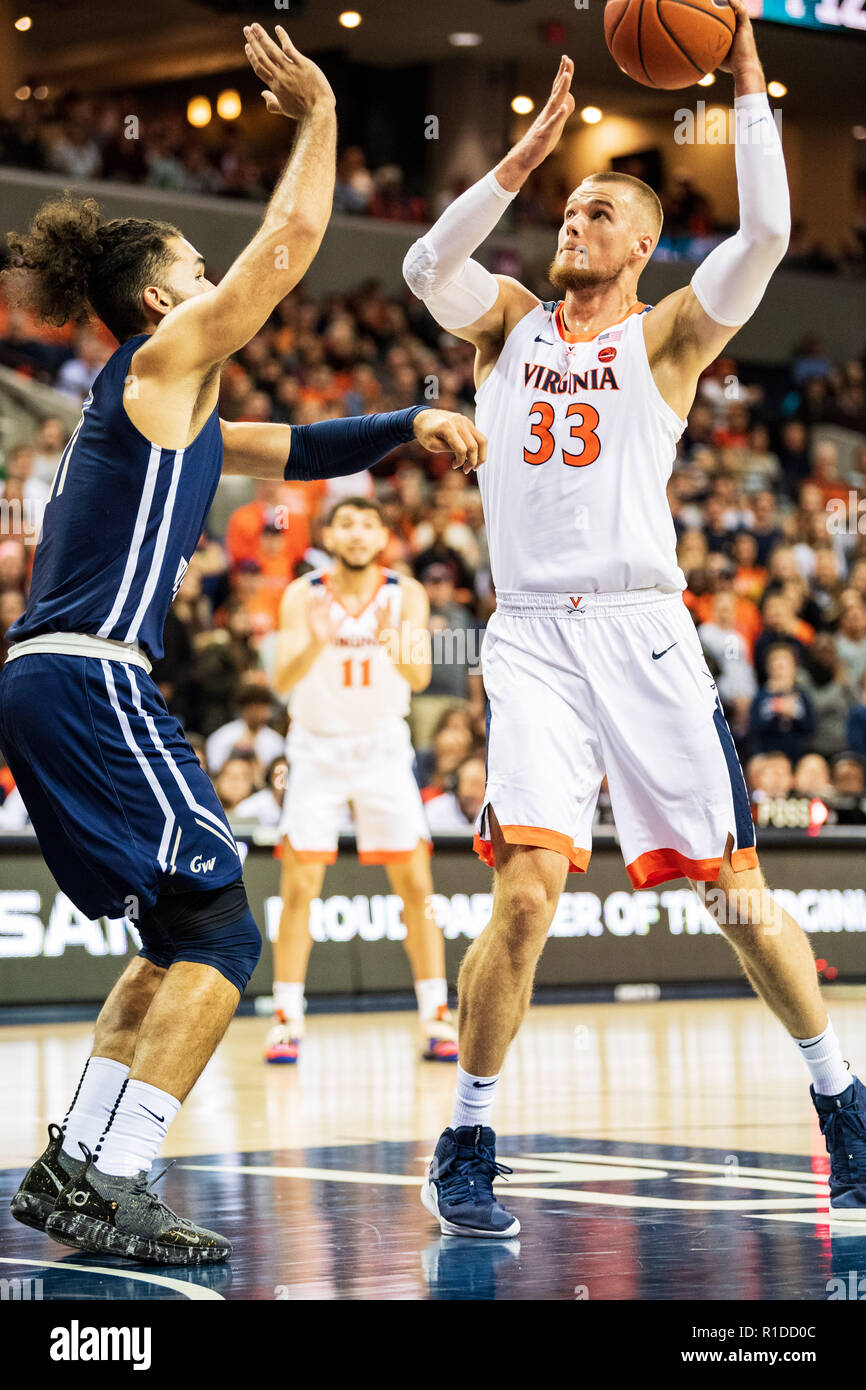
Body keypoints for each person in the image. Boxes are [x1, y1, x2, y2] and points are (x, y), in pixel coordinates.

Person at [3, 24, 483, 1266]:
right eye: (196, 265)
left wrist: (410, 418)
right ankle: (112, 1176)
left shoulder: (180, 409)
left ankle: (75, 1167)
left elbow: (295, 446)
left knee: (174, 938)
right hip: (93, 675)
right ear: (165, 301)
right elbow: (289, 248)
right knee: (224, 934)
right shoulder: (161, 358)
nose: (220, 278)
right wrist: (320, 114)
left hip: (53, 680)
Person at [403, 0, 865, 1237]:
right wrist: (513, 162)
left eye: (596, 211)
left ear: (647, 242)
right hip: (530, 636)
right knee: (524, 892)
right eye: (564, 211)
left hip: (643, 632)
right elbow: (421, 271)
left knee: (732, 892)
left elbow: (767, 228)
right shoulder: (506, 320)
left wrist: (750, 79)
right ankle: (469, 1131)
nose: (571, 222)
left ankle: (839, 1096)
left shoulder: (666, 340)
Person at [266, 496, 458, 1065]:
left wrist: (391, 635)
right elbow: (280, 677)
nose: (356, 534)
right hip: (316, 750)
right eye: (345, 524)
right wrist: (317, 638)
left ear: (382, 537)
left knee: (416, 887)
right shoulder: (304, 594)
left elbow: (420, 675)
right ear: (330, 534)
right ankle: (286, 1019)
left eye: (367, 525)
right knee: (299, 887)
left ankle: (435, 1015)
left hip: (381, 749)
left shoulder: (407, 594)